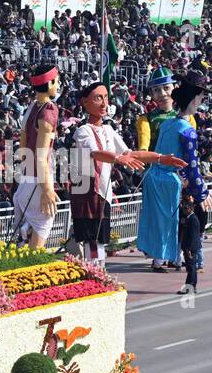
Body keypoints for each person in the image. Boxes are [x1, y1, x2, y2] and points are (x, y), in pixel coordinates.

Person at [71, 81, 184, 265]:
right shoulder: (83, 131)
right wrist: (118, 158)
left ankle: (99, 274)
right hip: (89, 192)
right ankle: (94, 276)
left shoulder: (108, 129)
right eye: (98, 98)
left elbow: (131, 153)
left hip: (104, 192)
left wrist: (161, 158)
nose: (104, 103)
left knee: (101, 239)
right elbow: (94, 152)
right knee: (93, 241)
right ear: (85, 102)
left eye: (106, 97)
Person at [138, 70, 212, 273]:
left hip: (153, 176)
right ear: (194, 100)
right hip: (171, 181)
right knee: (173, 222)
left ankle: (165, 258)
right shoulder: (187, 131)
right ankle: (177, 258)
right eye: (200, 97)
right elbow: (192, 165)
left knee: (157, 220)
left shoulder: (167, 124)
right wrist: (202, 193)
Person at [13, 64, 60, 249]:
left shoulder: (32, 107)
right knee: (42, 232)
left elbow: (23, 143)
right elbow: (41, 157)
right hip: (39, 182)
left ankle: (26, 229)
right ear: (49, 84)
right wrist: (47, 190)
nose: (58, 85)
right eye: (57, 81)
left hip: (26, 180)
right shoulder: (49, 110)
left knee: (36, 230)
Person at [178, 190, 201, 295]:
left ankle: (188, 288)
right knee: (192, 268)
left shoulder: (193, 219)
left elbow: (192, 236)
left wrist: (189, 250)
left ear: (191, 209)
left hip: (191, 248)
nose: (184, 210)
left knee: (191, 268)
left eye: (186, 208)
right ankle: (193, 287)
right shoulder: (189, 218)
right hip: (190, 247)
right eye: (184, 208)